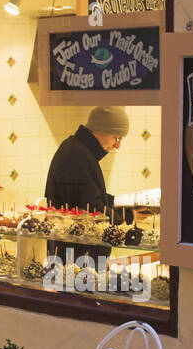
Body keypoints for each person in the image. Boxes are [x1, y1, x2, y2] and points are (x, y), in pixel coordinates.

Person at [44, 106, 129, 264]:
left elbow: (91, 196)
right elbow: (91, 210)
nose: (117, 145)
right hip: (76, 259)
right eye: (116, 138)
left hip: (76, 254)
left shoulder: (77, 149)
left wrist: (124, 204)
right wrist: (127, 218)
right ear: (100, 131)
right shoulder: (76, 156)